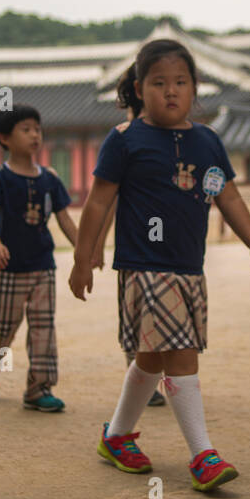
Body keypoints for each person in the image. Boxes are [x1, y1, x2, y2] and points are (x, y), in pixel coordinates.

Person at [68, 39, 250, 491]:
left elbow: (227, 194)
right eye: (159, 83)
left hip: (188, 267)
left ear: (195, 88)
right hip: (144, 266)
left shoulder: (208, 142)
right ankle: (203, 455)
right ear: (140, 89)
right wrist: (84, 258)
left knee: (152, 358)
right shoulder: (125, 141)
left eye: (181, 82)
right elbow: (99, 201)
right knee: (181, 353)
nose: (171, 91)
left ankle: (116, 437)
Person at [0, 104, 77, 411]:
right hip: (6, 267)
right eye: (26, 129)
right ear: (5, 137)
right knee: (3, 327)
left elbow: (65, 220)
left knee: (44, 326)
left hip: (43, 264)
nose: (35, 135)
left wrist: (84, 250)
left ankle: (38, 388)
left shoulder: (50, 178)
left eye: (37, 129)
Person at [87, 105, 165, 407]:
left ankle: (170, 378)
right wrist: (96, 245)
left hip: (170, 250)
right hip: (135, 250)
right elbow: (108, 201)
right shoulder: (125, 140)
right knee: (137, 318)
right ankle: (144, 383)